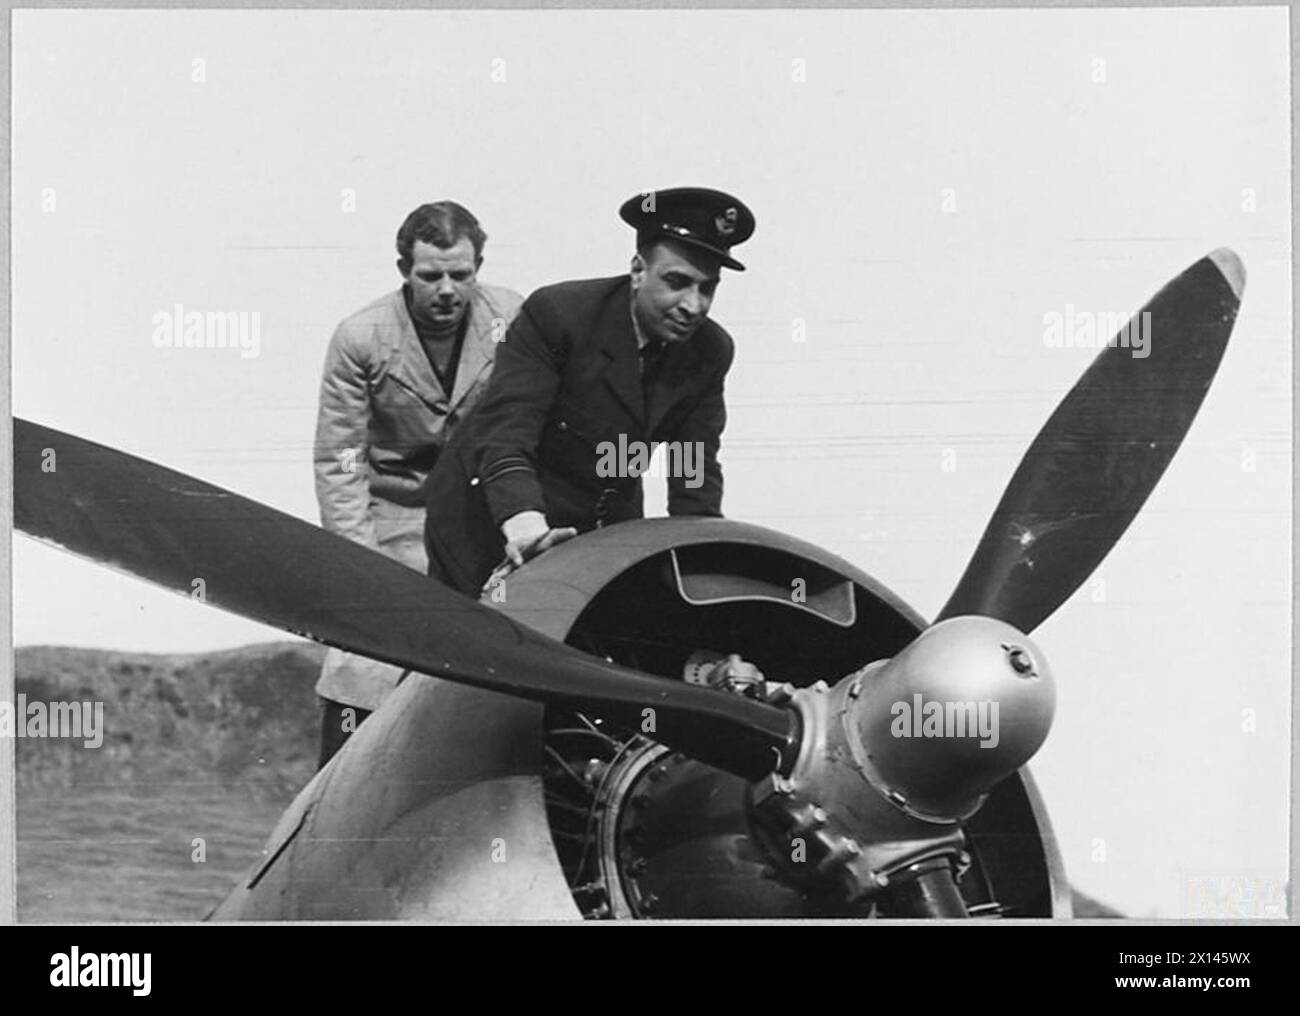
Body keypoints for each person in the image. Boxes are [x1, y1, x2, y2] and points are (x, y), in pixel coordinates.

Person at [423, 187, 755, 596]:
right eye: (677, 282)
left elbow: (691, 467)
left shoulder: (708, 352)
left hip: (597, 527)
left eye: (708, 288)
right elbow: (507, 437)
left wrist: (702, 564)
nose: (694, 305)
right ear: (637, 270)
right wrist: (525, 525)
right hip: (488, 521)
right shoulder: (559, 316)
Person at [313, 201, 522, 766]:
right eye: (431, 276)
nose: (448, 290)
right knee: (363, 667)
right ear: (404, 269)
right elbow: (340, 461)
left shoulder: (514, 318)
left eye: (462, 274)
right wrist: (361, 569)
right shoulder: (358, 337)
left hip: (481, 522)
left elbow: (527, 426)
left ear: (480, 265)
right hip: (393, 517)